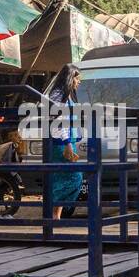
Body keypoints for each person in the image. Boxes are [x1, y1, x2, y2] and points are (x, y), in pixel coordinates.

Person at [46, 64, 83, 219]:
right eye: (77, 78)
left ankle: (56, 216)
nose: (79, 82)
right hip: (61, 142)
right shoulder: (57, 94)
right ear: (70, 77)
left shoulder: (67, 95)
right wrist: (67, 143)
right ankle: (53, 213)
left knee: (64, 179)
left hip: (69, 140)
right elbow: (57, 121)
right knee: (73, 177)